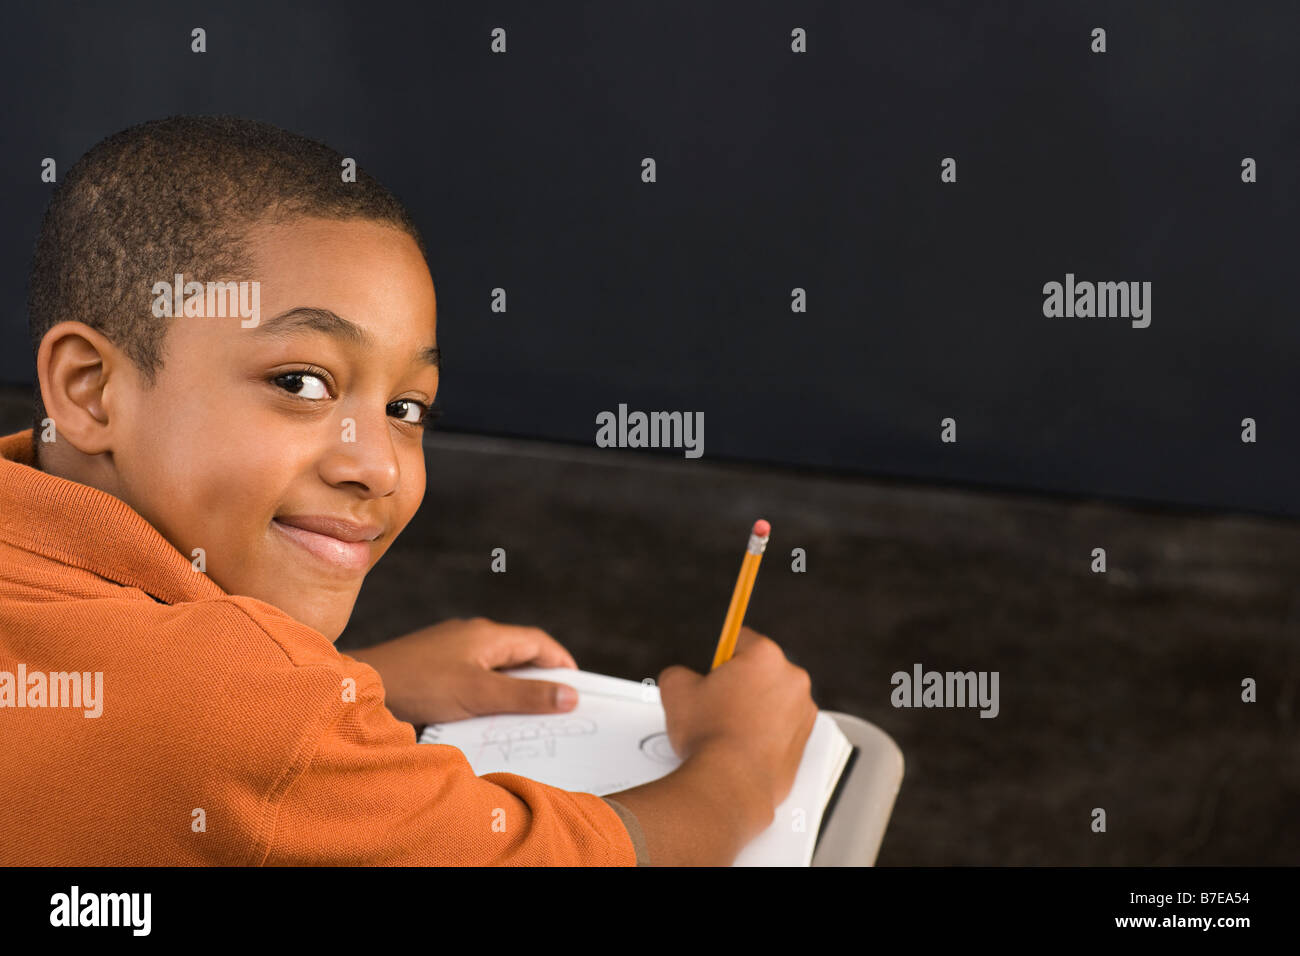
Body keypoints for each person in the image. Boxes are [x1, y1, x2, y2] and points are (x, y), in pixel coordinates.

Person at [0, 115, 817, 865]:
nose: (379, 466)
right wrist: (740, 763)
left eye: (404, 408)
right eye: (301, 381)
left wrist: (361, 678)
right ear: (89, 389)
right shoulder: (246, 713)